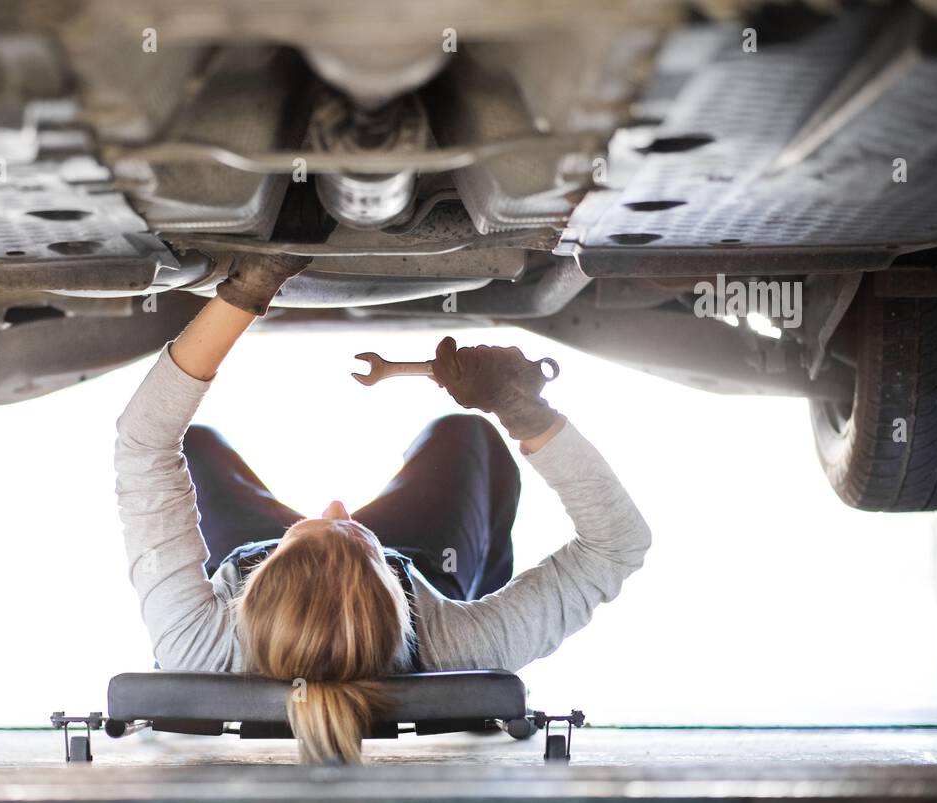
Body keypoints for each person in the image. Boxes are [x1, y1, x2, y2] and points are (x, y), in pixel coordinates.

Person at [115, 254, 651, 764]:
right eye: (358, 531)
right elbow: (614, 546)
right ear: (394, 589)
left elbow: (145, 442)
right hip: (422, 589)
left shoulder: (199, 643)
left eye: (299, 532)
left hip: (274, 609)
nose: (337, 505)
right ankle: (353, 548)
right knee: (464, 435)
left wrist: (246, 292)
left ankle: (326, 548)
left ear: (256, 582)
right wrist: (521, 408)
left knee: (197, 445)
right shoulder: (451, 645)